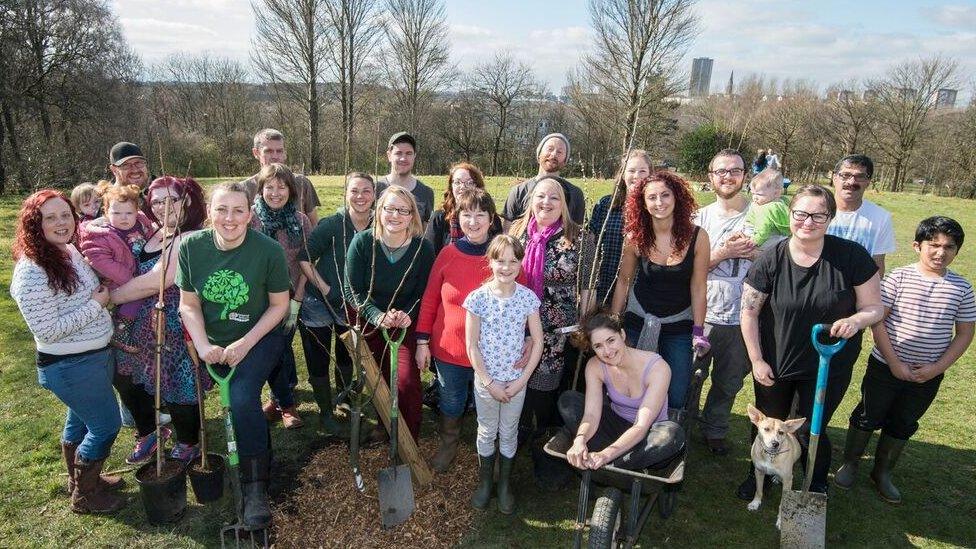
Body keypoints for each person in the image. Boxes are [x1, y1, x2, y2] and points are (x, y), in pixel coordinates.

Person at [738, 184, 883, 498]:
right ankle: (758, 472)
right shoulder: (771, 258)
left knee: (809, 428)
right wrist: (756, 360)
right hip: (776, 361)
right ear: (790, 214)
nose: (808, 222)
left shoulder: (850, 256)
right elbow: (749, 313)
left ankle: (815, 482)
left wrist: (855, 320)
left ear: (830, 218)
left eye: (818, 215)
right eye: (801, 213)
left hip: (828, 363)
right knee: (767, 422)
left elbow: (874, 307)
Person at [835, 216, 974, 503]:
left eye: (949, 247)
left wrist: (937, 368)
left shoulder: (962, 288)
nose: (940, 252)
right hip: (885, 367)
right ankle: (850, 463)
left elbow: (964, 334)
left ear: (957, 250)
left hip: (927, 375)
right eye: (933, 245)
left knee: (904, 421)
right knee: (868, 414)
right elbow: (879, 322)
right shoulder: (898, 278)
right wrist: (895, 363)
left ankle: (882, 472)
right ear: (916, 246)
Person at [177, 181, 290, 531]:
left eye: (238, 210)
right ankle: (255, 456)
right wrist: (202, 343)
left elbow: (279, 306)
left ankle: (255, 489)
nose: (230, 218)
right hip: (212, 342)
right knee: (224, 402)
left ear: (250, 214)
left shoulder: (268, 250)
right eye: (222, 209)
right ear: (210, 212)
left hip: (261, 337)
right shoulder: (191, 247)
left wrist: (245, 343)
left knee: (241, 398)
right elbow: (188, 304)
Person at [10, 190, 125, 514]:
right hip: (70, 365)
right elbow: (48, 329)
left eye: (65, 215)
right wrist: (96, 304)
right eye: (51, 217)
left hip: (90, 358)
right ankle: (85, 496)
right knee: (105, 426)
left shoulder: (66, 251)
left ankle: (83, 481)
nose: (61, 223)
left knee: (80, 423)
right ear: (35, 224)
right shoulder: (33, 271)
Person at [111, 176, 209, 464]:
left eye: (172, 200)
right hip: (138, 322)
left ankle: (188, 441)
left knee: (177, 384)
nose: (164, 206)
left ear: (186, 201)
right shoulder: (153, 232)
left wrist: (110, 296)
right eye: (156, 201)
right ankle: (149, 432)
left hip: (172, 324)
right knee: (124, 376)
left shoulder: (188, 237)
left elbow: (158, 280)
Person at [509, 177, 594, 483]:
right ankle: (516, 436)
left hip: (557, 330)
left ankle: (544, 446)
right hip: (517, 324)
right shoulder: (516, 232)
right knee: (517, 382)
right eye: (540, 197)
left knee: (545, 392)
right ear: (531, 200)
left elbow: (587, 285)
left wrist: (585, 325)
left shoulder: (579, 237)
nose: (546, 203)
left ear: (564, 205)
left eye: (554, 198)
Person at [416, 189, 503, 472]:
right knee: (451, 399)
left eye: (481, 215)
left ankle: (489, 450)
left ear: (491, 219)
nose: (473, 221)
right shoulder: (447, 254)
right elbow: (430, 300)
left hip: (491, 352)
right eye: (467, 214)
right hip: (450, 349)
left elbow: (521, 300)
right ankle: (449, 442)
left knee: (487, 404)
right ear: (458, 219)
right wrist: (421, 341)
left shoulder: (503, 256)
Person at [611, 171, 710, 411]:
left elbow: (698, 286)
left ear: (677, 197)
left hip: (678, 326)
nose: (659, 203)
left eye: (665, 195)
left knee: (676, 393)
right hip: (638, 321)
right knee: (632, 388)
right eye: (652, 198)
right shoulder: (635, 237)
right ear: (642, 204)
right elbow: (624, 281)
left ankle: (667, 439)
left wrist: (698, 330)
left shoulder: (698, 237)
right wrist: (614, 321)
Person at [344, 186, 435, 441]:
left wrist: (406, 314)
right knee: (378, 382)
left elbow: (424, 292)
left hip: (405, 324)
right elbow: (353, 291)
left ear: (412, 216)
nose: (395, 215)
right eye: (389, 208)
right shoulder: (362, 243)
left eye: (403, 210)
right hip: (370, 321)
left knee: (405, 382)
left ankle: (408, 441)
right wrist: (376, 315)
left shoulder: (422, 249)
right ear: (379, 211)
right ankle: (385, 425)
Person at [464, 235, 544, 513]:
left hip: (516, 383)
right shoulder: (477, 299)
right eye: (500, 260)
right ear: (490, 262)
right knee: (487, 431)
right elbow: (471, 345)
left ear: (521, 263)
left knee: (508, 432)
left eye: (513, 261)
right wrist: (488, 382)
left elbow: (538, 341)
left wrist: (521, 381)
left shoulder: (527, 299)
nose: (507, 267)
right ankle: (485, 482)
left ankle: (505, 485)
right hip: (487, 382)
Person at [297, 172, 375, 436]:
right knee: (318, 357)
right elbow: (304, 258)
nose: (360, 196)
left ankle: (342, 397)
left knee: (346, 354)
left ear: (374, 195)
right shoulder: (333, 225)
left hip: (352, 305)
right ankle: (325, 413)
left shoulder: (380, 226)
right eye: (354, 191)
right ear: (346, 194)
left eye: (366, 191)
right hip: (318, 302)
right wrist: (326, 287)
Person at [559, 312, 684, 471]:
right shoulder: (595, 366)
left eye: (611, 340)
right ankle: (624, 462)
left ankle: (608, 465)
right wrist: (580, 439)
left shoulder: (658, 368)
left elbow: (641, 426)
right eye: (598, 346)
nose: (607, 351)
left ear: (622, 334)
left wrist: (605, 455)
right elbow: (591, 415)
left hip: (649, 434)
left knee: (671, 435)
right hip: (616, 427)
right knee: (568, 400)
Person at [693, 149, 758, 456]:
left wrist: (754, 252)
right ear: (711, 177)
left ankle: (715, 428)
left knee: (729, 381)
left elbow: (779, 261)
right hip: (702, 314)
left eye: (735, 171)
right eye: (721, 171)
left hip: (744, 316)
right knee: (691, 377)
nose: (728, 177)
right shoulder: (699, 218)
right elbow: (685, 269)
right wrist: (722, 253)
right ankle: (682, 424)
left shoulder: (762, 214)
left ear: (745, 175)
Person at [250, 163, 313, 430]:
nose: (276, 193)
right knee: (274, 348)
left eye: (282, 186)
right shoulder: (251, 218)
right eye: (269, 187)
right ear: (261, 189)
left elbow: (307, 260)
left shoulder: (300, 220)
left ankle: (281, 401)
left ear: (291, 190)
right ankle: (285, 402)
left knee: (282, 347)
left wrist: (297, 299)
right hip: (257, 296)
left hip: (290, 294)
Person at [77, 182, 155, 355]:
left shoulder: (141, 224)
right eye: (116, 213)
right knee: (136, 298)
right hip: (118, 281)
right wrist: (131, 280)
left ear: (136, 212)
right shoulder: (100, 235)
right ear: (106, 212)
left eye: (129, 213)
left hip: (141, 274)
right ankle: (120, 329)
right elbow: (103, 263)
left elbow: (151, 239)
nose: (123, 218)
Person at [588, 150, 651, 306]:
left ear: (651, 175)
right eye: (631, 171)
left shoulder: (654, 210)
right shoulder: (605, 206)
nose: (637, 176)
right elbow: (590, 244)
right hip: (601, 288)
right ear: (623, 174)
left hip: (637, 294)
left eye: (642, 171)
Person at [826, 154, 896, 273]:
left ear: (868, 181)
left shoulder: (880, 218)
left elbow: (877, 263)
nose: (852, 181)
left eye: (860, 176)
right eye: (846, 175)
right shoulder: (816, 211)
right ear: (834, 177)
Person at [501, 133, 586, 226]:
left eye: (560, 152)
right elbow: (507, 231)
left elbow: (579, 232)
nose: (553, 154)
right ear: (539, 154)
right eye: (550, 149)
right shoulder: (518, 191)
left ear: (565, 160)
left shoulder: (575, 194)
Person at [241, 128, 321, 224]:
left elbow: (314, 225)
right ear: (256, 153)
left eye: (279, 151)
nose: (275, 156)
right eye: (269, 151)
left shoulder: (302, 183)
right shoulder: (244, 189)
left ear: (285, 153)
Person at [425, 162, 502, 256]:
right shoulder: (439, 217)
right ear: (451, 186)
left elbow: (499, 252)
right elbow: (429, 254)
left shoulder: (492, 218)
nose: (463, 187)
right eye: (457, 182)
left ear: (478, 186)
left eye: (469, 182)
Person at [375, 132, 435, 224]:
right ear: (389, 156)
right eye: (398, 153)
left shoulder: (426, 193)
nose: (403, 158)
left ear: (414, 156)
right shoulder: (376, 189)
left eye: (408, 153)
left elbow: (426, 229)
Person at [743, 168, 789, 248]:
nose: (755, 198)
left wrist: (755, 241)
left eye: (759, 194)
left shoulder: (765, 208)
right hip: (775, 234)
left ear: (776, 193)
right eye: (753, 193)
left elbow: (764, 227)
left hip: (759, 233)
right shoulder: (782, 201)